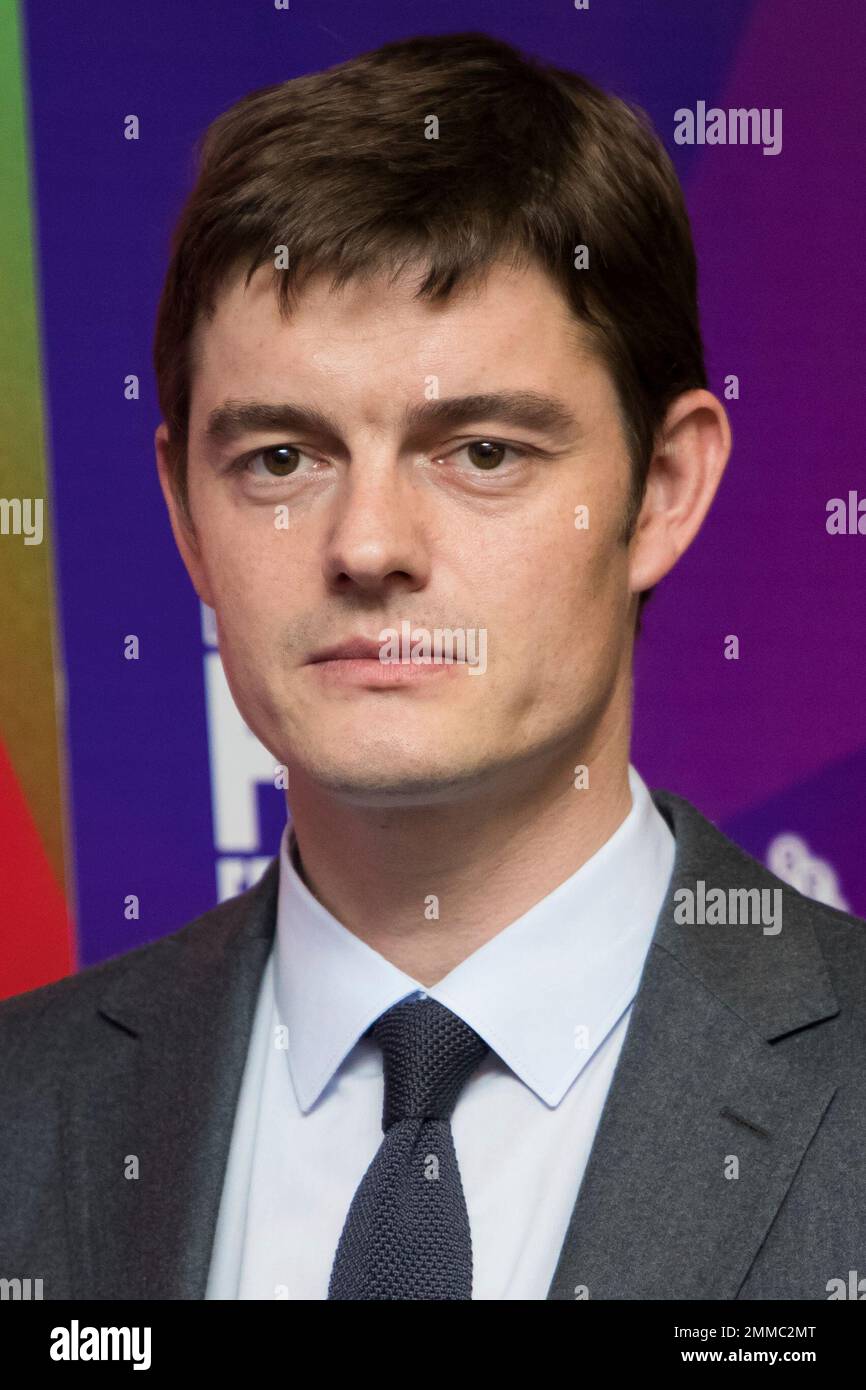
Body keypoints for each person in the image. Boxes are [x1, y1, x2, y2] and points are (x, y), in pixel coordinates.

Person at [2, 31, 864, 1302]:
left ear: (662, 488)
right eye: (281, 459)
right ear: (185, 515)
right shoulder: (25, 1112)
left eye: (481, 451)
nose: (366, 546)